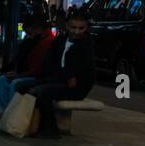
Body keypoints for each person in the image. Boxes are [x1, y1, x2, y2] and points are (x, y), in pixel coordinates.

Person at [28, 11, 95, 139]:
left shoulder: (86, 45)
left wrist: (67, 75)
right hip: (59, 79)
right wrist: (65, 75)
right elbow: (50, 62)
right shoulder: (60, 40)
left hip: (77, 87)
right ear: (67, 26)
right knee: (26, 87)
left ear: (86, 27)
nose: (77, 31)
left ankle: (51, 129)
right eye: (73, 27)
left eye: (81, 28)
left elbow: (79, 70)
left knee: (42, 92)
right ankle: (34, 125)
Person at [0, 13, 54, 116]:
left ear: (37, 29)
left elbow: (36, 69)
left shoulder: (45, 42)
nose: (28, 36)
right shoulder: (34, 40)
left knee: (11, 83)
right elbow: (20, 59)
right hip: (26, 73)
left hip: (34, 76)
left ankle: (11, 114)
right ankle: (6, 113)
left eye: (29, 33)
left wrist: (18, 74)